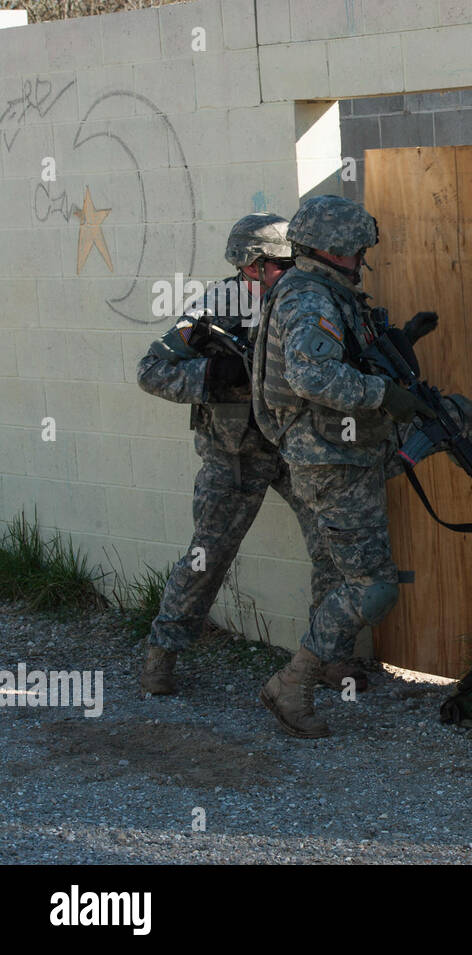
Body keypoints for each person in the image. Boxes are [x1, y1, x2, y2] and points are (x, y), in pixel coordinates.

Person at [136, 213, 366, 696]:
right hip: (233, 455)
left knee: (332, 551)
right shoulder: (216, 306)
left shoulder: (308, 299)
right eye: (278, 263)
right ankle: (162, 653)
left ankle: (327, 657)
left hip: (297, 452)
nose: (288, 270)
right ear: (250, 266)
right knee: (207, 556)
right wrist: (211, 378)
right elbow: (150, 371)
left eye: (291, 261)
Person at [251, 195, 438, 738]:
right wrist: (386, 396)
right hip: (330, 459)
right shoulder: (309, 298)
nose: (362, 260)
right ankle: (292, 683)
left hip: (343, 451)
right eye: (357, 250)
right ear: (334, 250)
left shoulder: (321, 291)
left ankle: (322, 668)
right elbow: (313, 378)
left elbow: (339, 358)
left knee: (343, 573)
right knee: (373, 588)